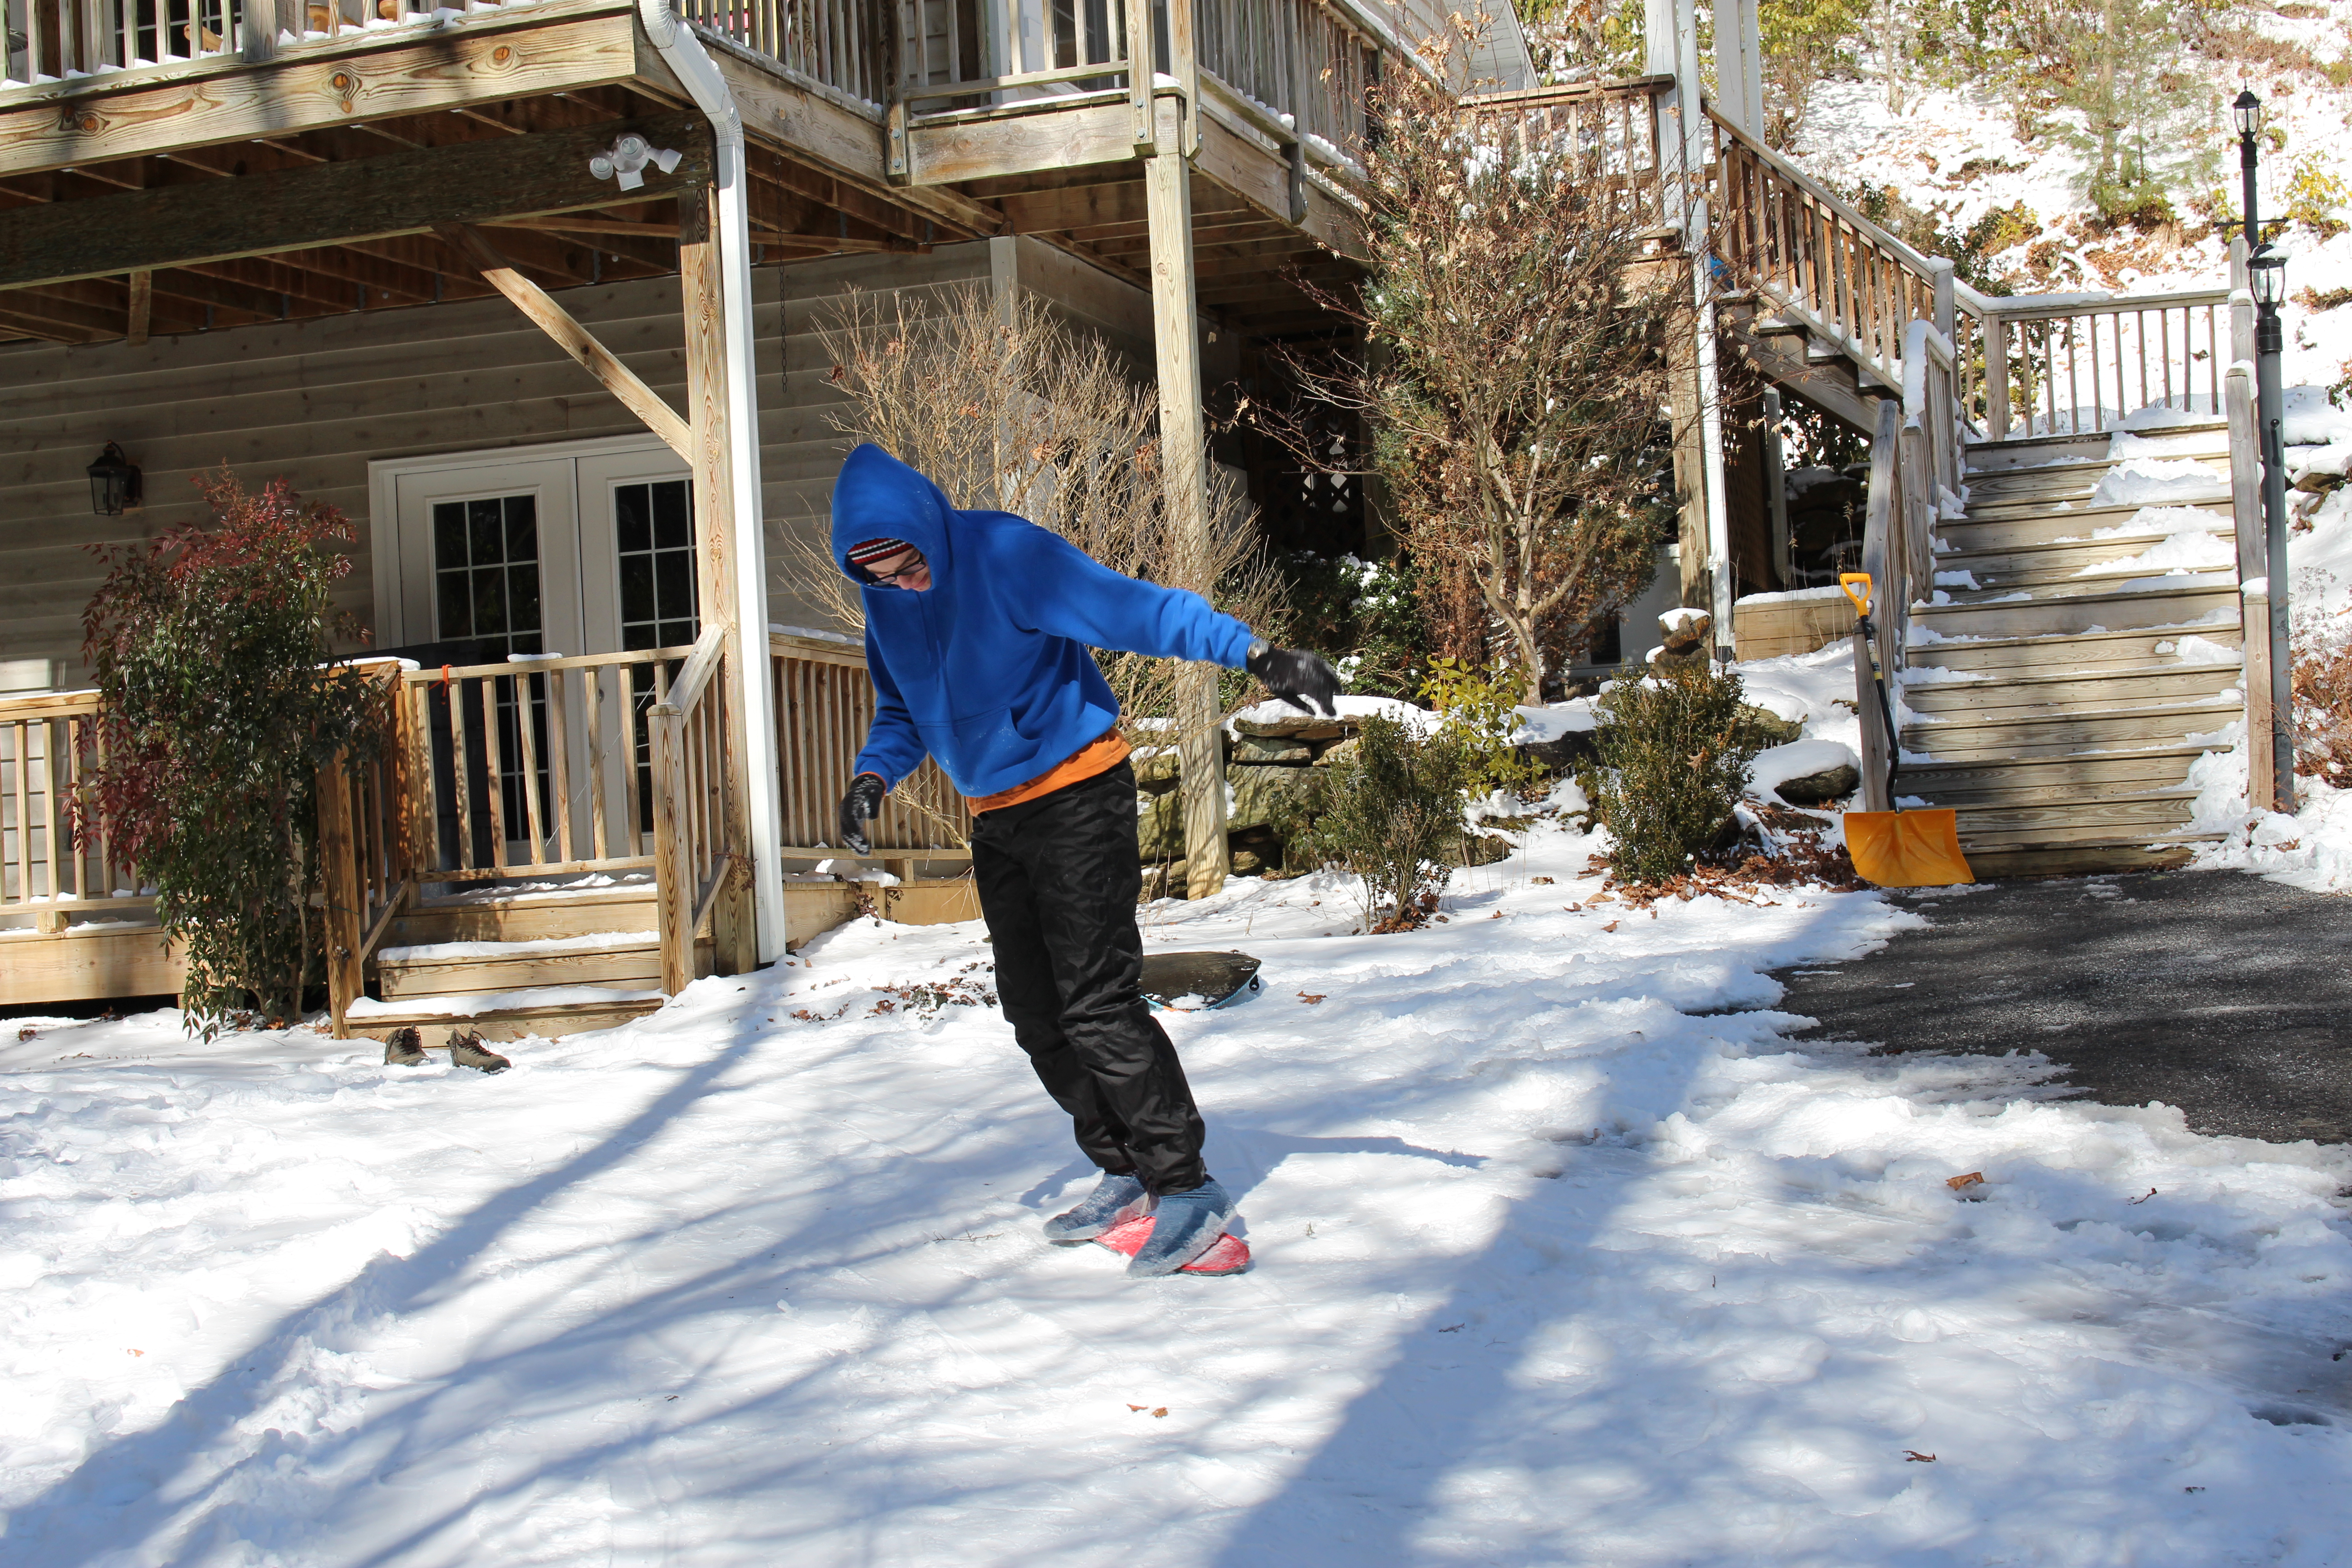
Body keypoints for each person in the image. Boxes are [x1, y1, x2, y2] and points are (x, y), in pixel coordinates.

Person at [827, 443, 1340, 1277]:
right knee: (1034, 1013)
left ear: (929, 530)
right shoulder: (885, 605)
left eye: (910, 565)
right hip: (997, 818)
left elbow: (1131, 609)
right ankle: (1125, 1170)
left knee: (1097, 1001)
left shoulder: (1004, 553)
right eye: (880, 577)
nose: (902, 586)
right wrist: (871, 776)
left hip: (1078, 795)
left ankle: (1188, 1191)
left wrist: (1257, 656)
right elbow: (903, 710)